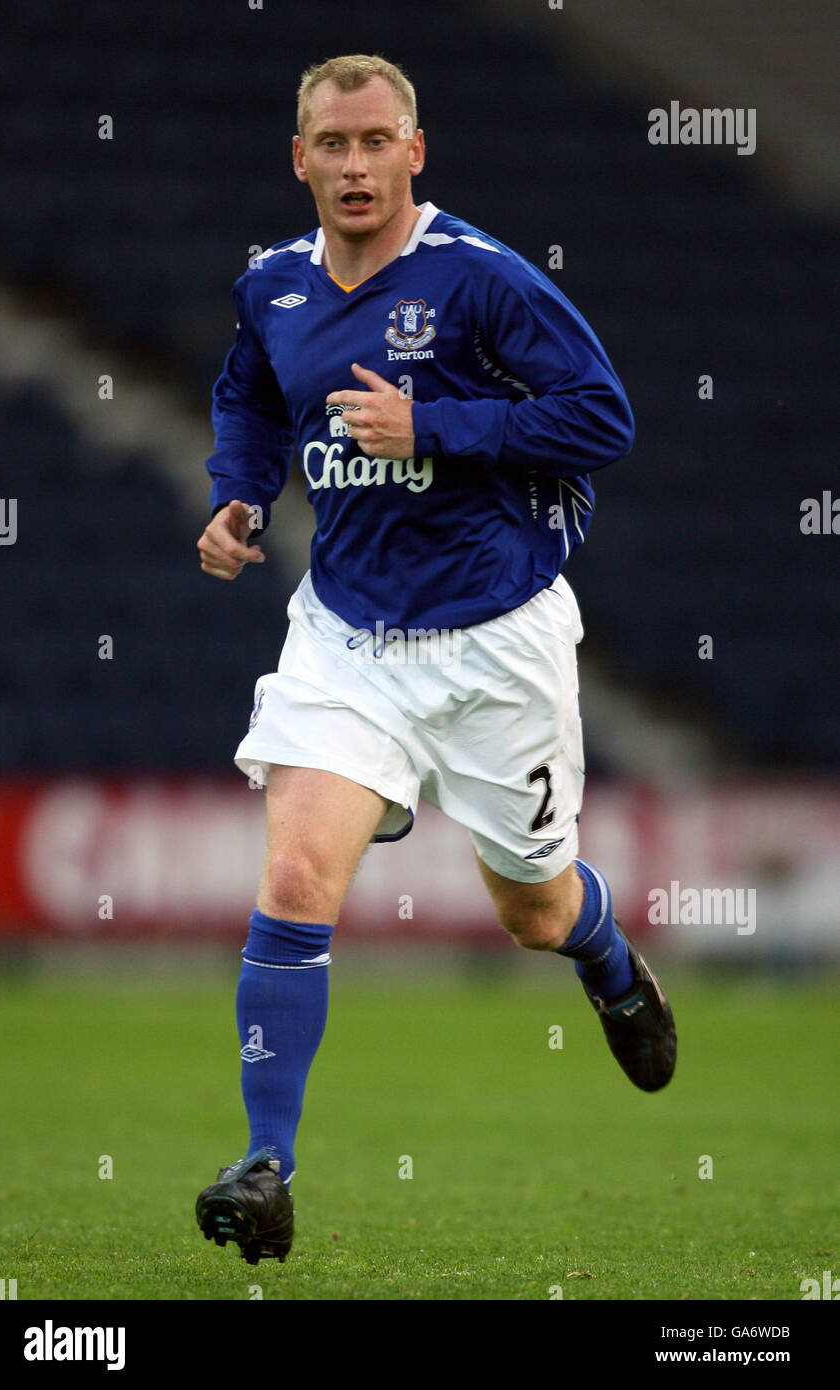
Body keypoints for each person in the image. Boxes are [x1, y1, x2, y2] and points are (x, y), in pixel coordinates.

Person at [194, 53, 675, 1267]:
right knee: (297, 878)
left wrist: (437, 427)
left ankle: (608, 961)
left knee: (529, 906)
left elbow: (601, 416)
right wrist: (240, 496)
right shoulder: (273, 287)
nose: (353, 165)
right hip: (347, 636)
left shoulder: (480, 279)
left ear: (416, 152)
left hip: (492, 643)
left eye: (375, 142)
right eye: (330, 144)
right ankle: (265, 1163)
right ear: (297, 158)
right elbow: (251, 398)